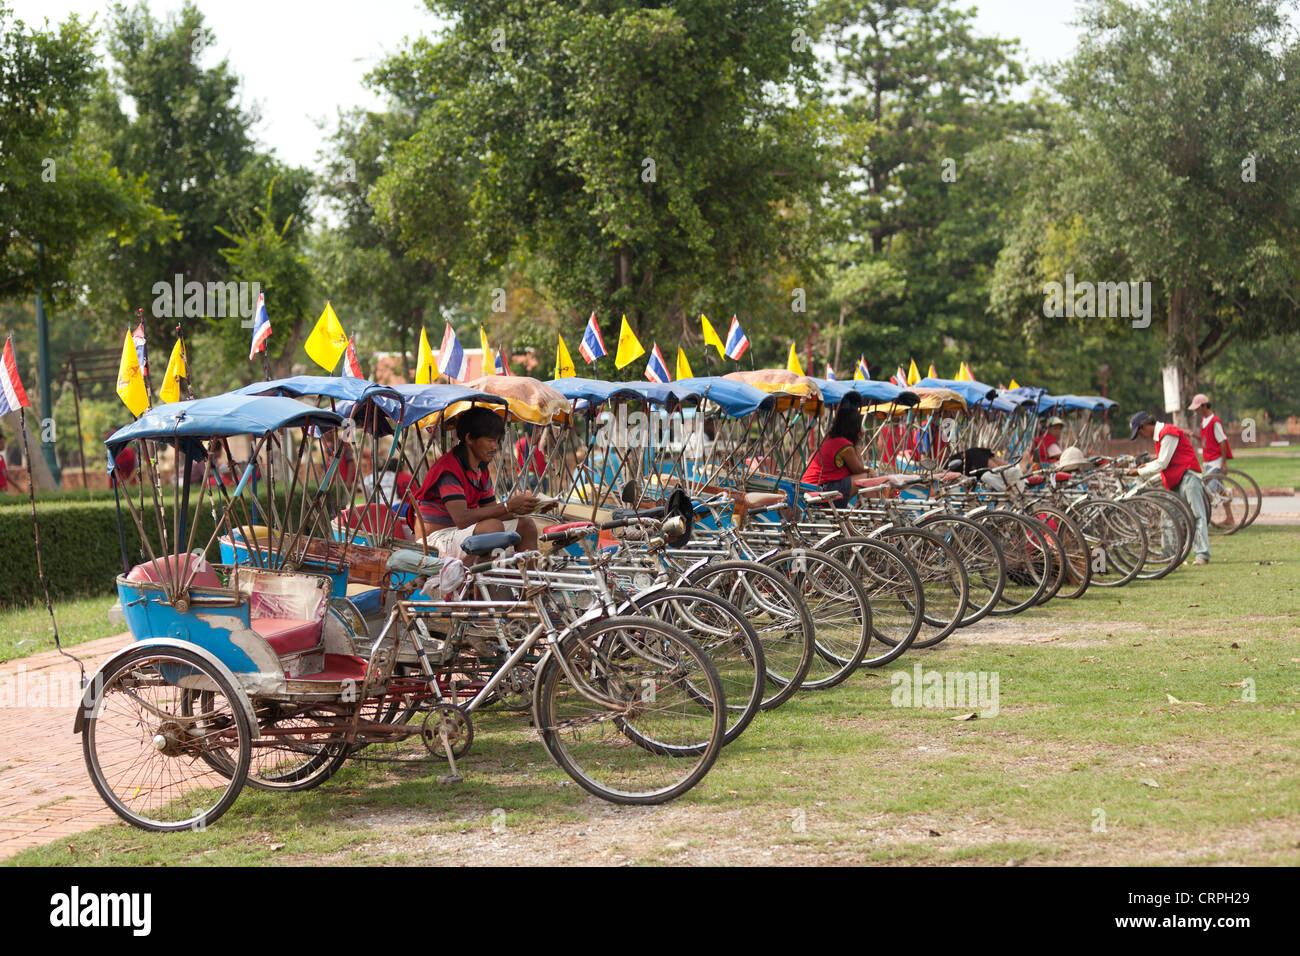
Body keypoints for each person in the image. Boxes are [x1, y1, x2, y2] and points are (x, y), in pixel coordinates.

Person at [412, 407, 539, 560]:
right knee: (492, 528)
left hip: (462, 533)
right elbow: (462, 519)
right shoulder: (449, 470)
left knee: (526, 525)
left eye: (497, 440)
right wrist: (508, 506)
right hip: (435, 541)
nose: (495, 447)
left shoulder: (480, 470)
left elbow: (492, 510)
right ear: (470, 438)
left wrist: (524, 508)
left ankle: (529, 581)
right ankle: (476, 582)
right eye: (490, 440)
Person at [1128, 410, 1210, 565]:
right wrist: (1149, 464)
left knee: (1197, 516)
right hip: (1175, 479)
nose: (1141, 437)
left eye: (1139, 433)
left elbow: (1163, 462)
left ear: (1144, 426)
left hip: (1188, 476)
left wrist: (1139, 471)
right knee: (1168, 516)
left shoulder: (1168, 433)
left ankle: (1201, 554)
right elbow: (1163, 459)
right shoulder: (1160, 435)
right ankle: (1170, 556)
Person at [802, 403, 874, 504]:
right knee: (867, 478)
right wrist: (858, 441)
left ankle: (868, 509)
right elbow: (859, 469)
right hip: (820, 490)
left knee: (870, 474)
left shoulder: (831, 439)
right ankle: (874, 514)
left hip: (811, 488)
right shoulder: (844, 445)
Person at [1189, 393, 1235, 523]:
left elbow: (1222, 442)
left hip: (1216, 461)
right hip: (1208, 460)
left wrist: (1224, 463)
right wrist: (1195, 436)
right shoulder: (1204, 421)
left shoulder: (1215, 422)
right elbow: (1207, 440)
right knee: (1220, 490)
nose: (1196, 411)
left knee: (1207, 492)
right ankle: (1230, 517)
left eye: (1197, 408)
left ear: (1204, 406)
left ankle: (1202, 521)